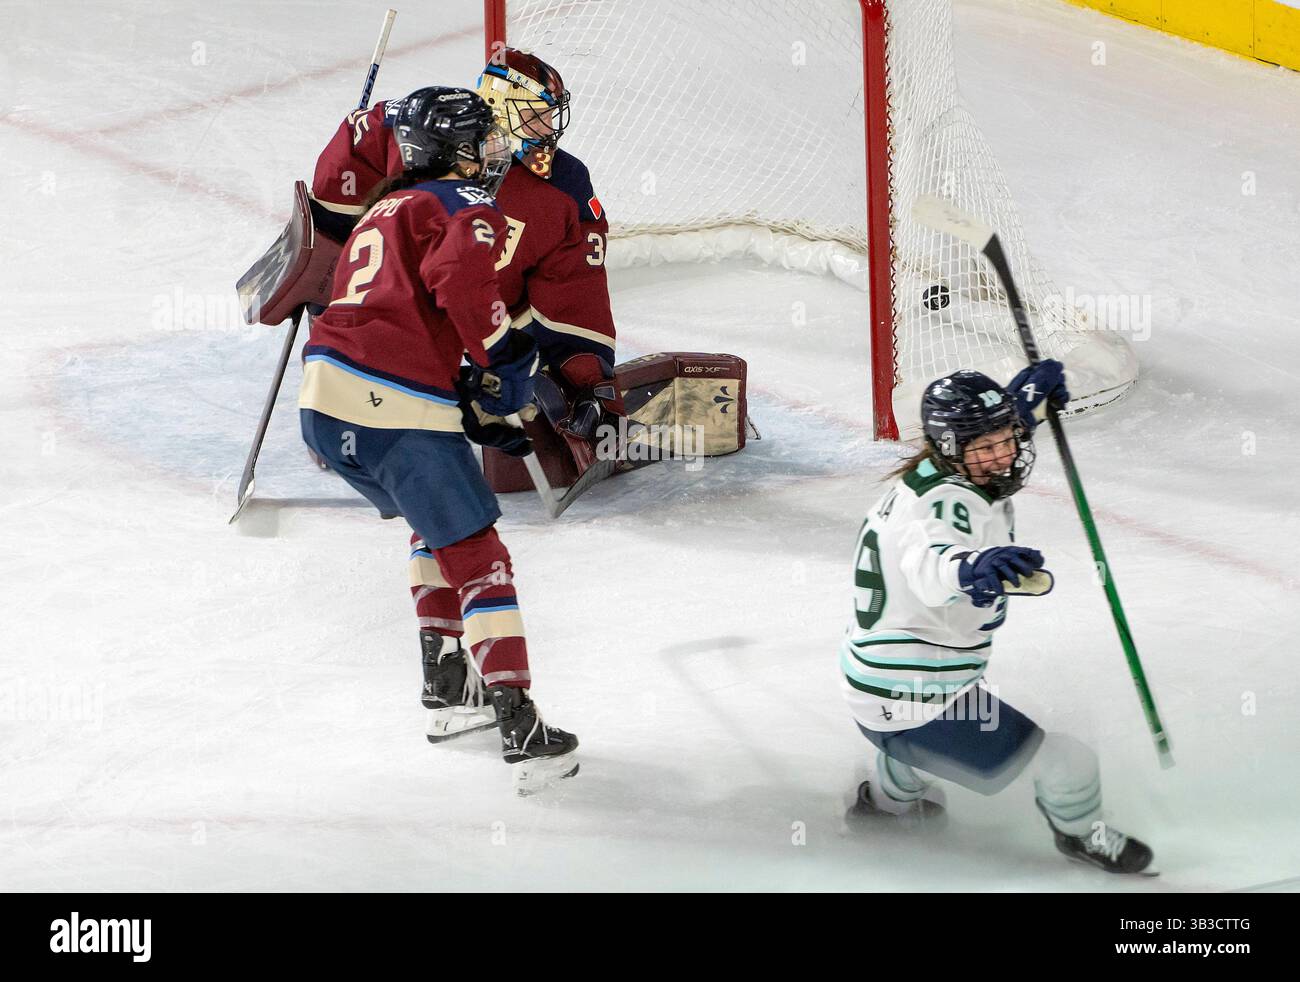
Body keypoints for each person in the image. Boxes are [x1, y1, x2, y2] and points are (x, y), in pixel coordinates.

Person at [308, 49, 624, 735]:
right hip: (391, 396)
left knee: (437, 522)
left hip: (328, 396)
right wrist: (505, 368)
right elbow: (462, 284)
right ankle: (518, 719)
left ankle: (447, 684)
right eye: (483, 139)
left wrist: (472, 397)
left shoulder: (386, 201)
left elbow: (398, 302)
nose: (494, 149)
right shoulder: (468, 201)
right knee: (480, 553)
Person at [840, 360, 1155, 874]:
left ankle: (886, 805)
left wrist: (1020, 404)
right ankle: (1082, 835)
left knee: (914, 742)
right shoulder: (943, 505)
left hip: (882, 684)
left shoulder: (935, 470)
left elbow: (986, 448)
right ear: (950, 448)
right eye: (986, 447)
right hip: (917, 692)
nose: (1003, 454)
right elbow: (931, 562)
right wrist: (969, 568)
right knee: (1067, 760)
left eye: (1007, 437)